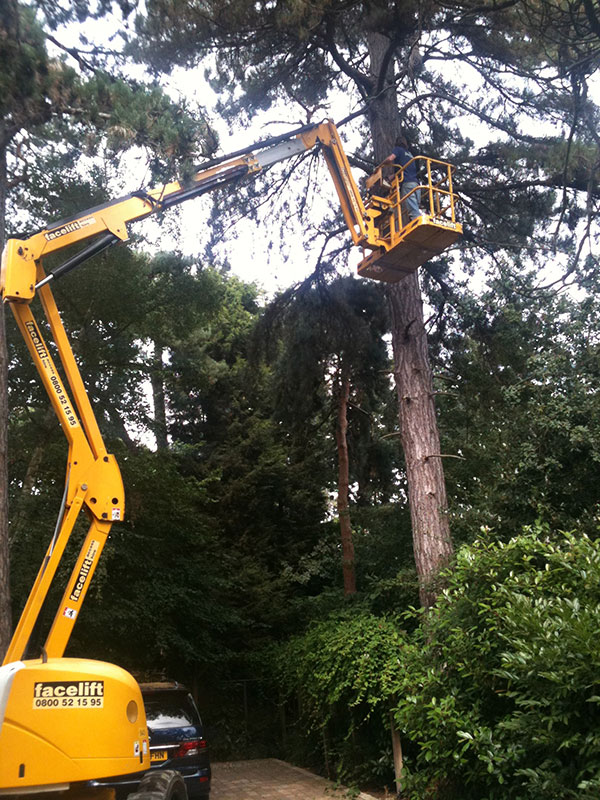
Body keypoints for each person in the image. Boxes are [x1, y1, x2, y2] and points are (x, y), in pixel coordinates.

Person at [381, 134, 421, 222]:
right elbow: (402, 171)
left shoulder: (398, 150)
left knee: (413, 211)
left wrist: (381, 165)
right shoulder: (410, 155)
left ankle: (418, 222)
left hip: (407, 184)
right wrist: (390, 178)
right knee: (415, 206)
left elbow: (390, 159)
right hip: (416, 185)